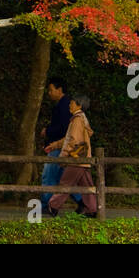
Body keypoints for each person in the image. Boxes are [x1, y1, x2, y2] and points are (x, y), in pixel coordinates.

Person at [46, 93, 98, 218]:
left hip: (76, 158)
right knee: (87, 185)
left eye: (72, 103)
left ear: (79, 105)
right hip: (83, 158)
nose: (70, 104)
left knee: (65, 183)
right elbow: (69, 138)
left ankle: (53, 206)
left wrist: (65, 154)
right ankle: (92, 209)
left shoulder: (77, 120)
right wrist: (55, 145)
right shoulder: (82, 119)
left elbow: (73, 140)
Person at [39, 77, 80, 210]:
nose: (49, 93)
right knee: (64, 177)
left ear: (59, 89)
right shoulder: (62, 105)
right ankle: (84, 202)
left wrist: (48, 132)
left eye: (51, 90)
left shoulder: (64, 106)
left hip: (60, 146)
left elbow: (63, 129)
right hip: (61, 145)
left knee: (49, 175)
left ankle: (47, 205)